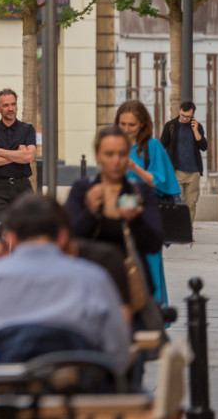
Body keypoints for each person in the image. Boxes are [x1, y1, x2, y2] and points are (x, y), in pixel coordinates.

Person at [0, 194, 131, 373]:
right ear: (63, 236)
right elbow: (118, 354)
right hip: (73, 400)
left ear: (9, 237)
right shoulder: (92, 279)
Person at [65, 126, 164, 306]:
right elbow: (68, 240)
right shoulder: (83, 190)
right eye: (109, 154)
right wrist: (90, 213)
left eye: (121, 154)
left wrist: (135, 220)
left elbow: (154, 243)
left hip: (132, 289)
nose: (116, 161)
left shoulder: (139, 192)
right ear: (98, 155)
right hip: (89, 288)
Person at [116, 99, 179, 305]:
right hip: (120, 215)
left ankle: (155, 313)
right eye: (122, 124)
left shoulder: (152, 146)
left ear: (142, 124)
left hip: (146, 216)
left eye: (131, 125)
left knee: (150, 266)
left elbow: (159, 181)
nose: (126, 129)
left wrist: (134, 168)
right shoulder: (116, 145)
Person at [0, 88, 36, 226]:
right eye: (5, 105)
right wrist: (18, 155)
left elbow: (28, 157)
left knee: (26, 234)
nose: (10, 108)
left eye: (13, 104)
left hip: (23, 188)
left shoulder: (27, 129)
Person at [160, 100, 208, 222]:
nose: (184, 118)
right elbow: (162, 146)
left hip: (194, 172)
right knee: (178, 203)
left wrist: (196, 131)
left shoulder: (197, 127)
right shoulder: (170, 126)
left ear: (192, 115)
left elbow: (204, 147)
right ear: (180, 111)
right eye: (182, 115)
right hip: (176, 171)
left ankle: (188, 231)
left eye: (188, 116)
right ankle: (177, 230)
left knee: (191, 204)